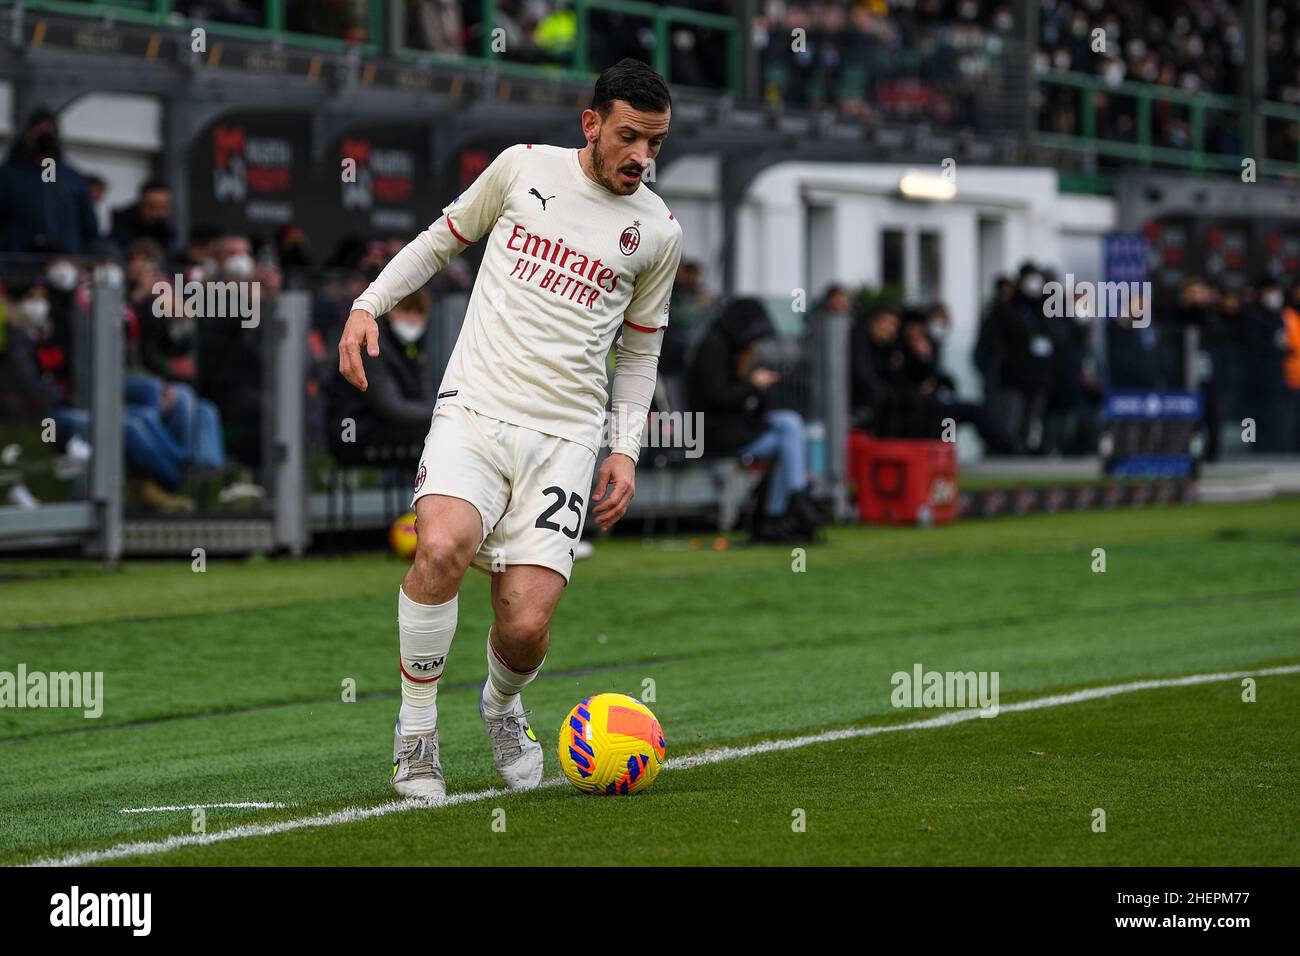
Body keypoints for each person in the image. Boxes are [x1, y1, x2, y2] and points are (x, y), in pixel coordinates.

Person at [337, 58, 683, 800]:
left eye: (654, 144)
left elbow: (642, 349)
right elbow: (440, 239)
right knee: (441, 545)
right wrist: (368, 302)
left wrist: (623, 448)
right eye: (628, 137)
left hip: (565, 440)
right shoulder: (520, 169)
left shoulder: (658, 232)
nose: (640, 158)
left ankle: (499, 706)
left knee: (524, 625)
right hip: (476, 411)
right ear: (590, 125)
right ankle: (417, 738)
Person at [687, 297, 821, 543]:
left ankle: (785, 510)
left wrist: (754, 389)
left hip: (737, 427)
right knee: (789, 438)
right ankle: (786, 510)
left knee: (790, 424)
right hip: (714, 433)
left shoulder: (734, 350)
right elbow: (717, 396)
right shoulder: (712, 348)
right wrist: (752, 385)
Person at [326, 288, 434, 464]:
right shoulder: (372, 346)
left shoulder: (412, 348)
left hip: (382, 426)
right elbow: (391, 407)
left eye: (419, 313)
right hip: (352, 433)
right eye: (406, 311)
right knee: (437, 433)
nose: (413, 319)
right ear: (390, 311)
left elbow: (422, 394)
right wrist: (438, 414)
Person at [0, 109, 99, 255]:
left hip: (64, 262)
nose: (44, 138)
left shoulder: (71, 178)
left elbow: (89, 227)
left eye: (49, 133)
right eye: (39, 133)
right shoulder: (8, 176)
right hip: (17, 262)